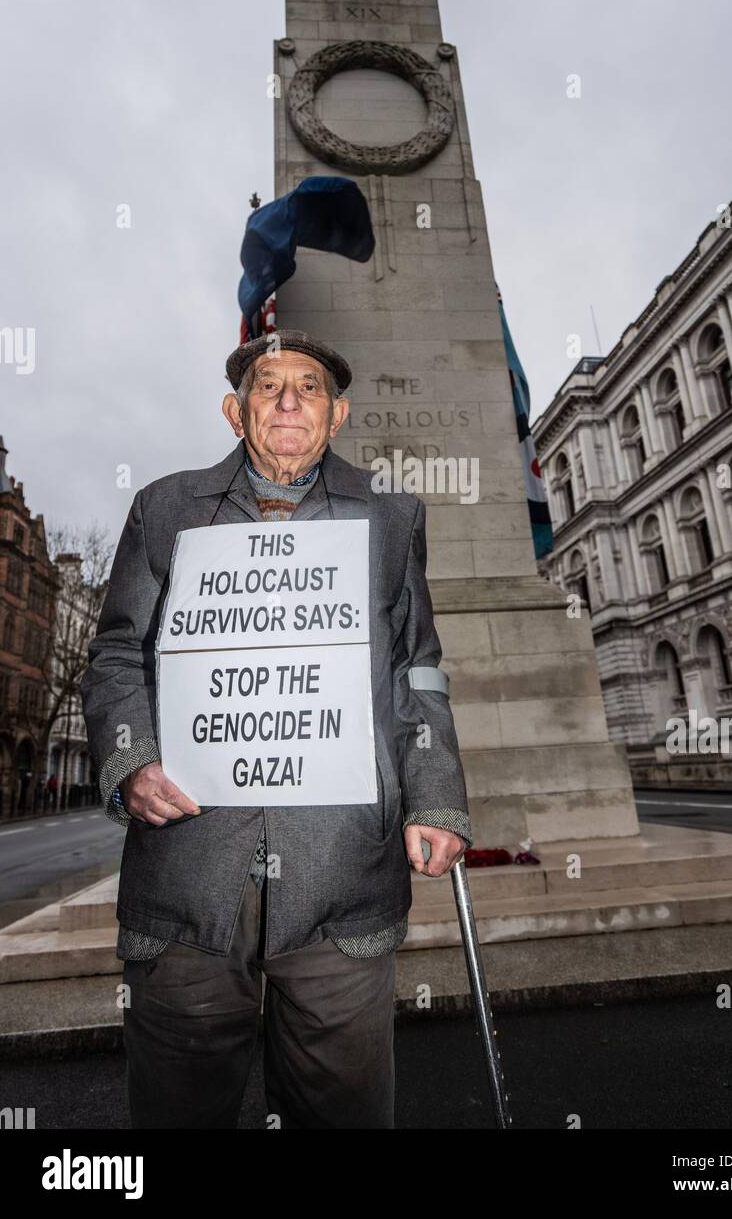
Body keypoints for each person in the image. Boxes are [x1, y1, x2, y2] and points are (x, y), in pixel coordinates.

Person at [80, 328, 472, 1129]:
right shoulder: (164, 508)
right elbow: (118, 652)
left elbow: (416, 669)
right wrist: (132, 762)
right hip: (189, 876)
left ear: (338, 414)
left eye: (310, 387)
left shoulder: (391, 519)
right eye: (268, 386)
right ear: (236, 411)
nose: (289, 400)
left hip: (343, 877)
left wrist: (436, 795)